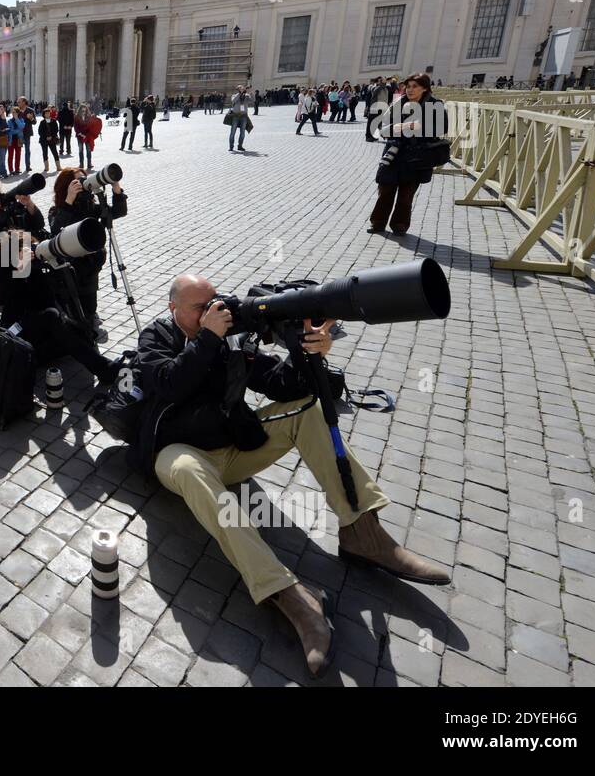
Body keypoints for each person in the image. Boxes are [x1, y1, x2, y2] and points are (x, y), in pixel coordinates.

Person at [134, 273, 449, 676]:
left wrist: (309, 351)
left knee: (309, 411)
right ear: (172, 308)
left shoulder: (231, 337)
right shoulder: (155, 337)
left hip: (233, 448)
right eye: (199, 307)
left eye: (214, 301)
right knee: (190, 470)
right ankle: (291, 596)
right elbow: (168, 384)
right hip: (179, 454)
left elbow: (287, 387)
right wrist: (208, 339)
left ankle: (362, 531)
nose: (213, 311)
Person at [0, 228, 124, 385]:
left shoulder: (35, 265)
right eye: (26, 249)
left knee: (79, 333)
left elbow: (46, 299)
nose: (32, 253)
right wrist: (21, 270)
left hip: (37, 327)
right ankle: (106, 369)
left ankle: (32, 357)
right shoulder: (3, 270)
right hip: (15, 329)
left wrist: (47, 269)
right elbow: (11, 301)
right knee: (52, 316)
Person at [369, 72, 447, 236]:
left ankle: (399, 225)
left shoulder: (435, 104)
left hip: (417, 156)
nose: (410, 90)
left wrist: (410, 127)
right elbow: (384, 128)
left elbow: (441, 129)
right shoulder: (398, 103)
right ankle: (378, 223)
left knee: (406, 195)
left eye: (415, 86)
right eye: (408, 86)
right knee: (385, 190)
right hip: (394, 153)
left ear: (424, 88)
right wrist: (408, 126)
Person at [48, 166, 126, 329]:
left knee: (90, 310)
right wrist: (69, 199)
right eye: (77, 180)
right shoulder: (57, 210)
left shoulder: (90, 207)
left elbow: (118, 212)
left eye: (84, 179)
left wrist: (116, 187)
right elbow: (56, 230)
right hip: (71, 270)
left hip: (91, 267)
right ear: (66, 186)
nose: (82, 184)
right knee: (74, 312)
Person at [74, 103, 100, 169]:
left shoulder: (89, 117)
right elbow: (76, 127)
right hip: (80, 136)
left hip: (87, 136)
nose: (84, 112)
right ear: (80, 110)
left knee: (88, 150)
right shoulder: (76, 117)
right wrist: (80, 134)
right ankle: (81, 164)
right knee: (80, 150)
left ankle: (89, 163)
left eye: (85, 111)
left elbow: (91, 126)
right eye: (82, 111)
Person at [226, 85, 250, 151]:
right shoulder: (234, 95)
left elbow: (252, 100)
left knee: (242, 133)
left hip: (244, 116)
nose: (242, 88)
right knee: (233, 132)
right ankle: (231, 146)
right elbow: (233, 101)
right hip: (236, 116)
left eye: (242, 87)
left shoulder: (246, 95)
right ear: (238, 89)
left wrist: (251, 92)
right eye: (240, 88)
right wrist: (239, 93)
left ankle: (240, 146)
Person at [37, 105, 60, 172]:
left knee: (55, 152)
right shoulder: (42, 122)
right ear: (44, 114)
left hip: (52, 139)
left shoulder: (54, 121)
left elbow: (56, 130)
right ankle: (46, 167)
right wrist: (46, 137)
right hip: (44, 140)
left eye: (48, 113)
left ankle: (58, 166)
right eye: (46, 113)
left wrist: (51, 136)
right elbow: (40, 132)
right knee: (45, 153)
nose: (47, 114)